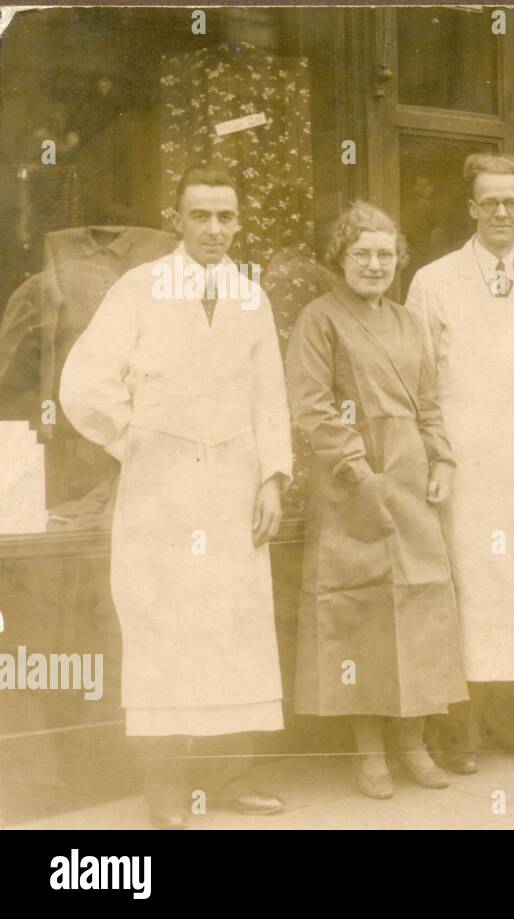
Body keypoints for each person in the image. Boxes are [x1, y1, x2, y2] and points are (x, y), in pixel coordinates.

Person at [60, 165, 290, 828]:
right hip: (161, 496)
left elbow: (268, 394)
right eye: (201, 216)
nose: (214, 229)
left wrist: (273, 475)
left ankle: (233, 775)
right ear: (179, 219)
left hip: (235, 491)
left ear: (239, 222)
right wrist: (134, 438)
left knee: (234, 629)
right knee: (165, 632)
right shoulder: (140, 288)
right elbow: (83, 384)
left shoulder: (252, 296)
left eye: (226, 217)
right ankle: (165, 788)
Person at [285, 202, 468, 799]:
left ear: (398, 260)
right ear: (341, 256)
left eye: (385, 254)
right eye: (361, 253)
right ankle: (369, 752)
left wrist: (441, 458)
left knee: (418, 605)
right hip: (349, 484)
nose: (374, 264)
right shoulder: (320, 319)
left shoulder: (410, 322)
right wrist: (355, 468)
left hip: (411, 479)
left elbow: (429, 401)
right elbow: (311, 405)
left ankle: (412, 742)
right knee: (359, 613)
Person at [406, 153, 514, 768]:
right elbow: (420, 380)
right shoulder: (433, 281)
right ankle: (461, 734)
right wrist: (449, 450)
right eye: (489, 202)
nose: (501, 212)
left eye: (512, 203)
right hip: (461, 465)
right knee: (467, 591)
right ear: (472, 208)